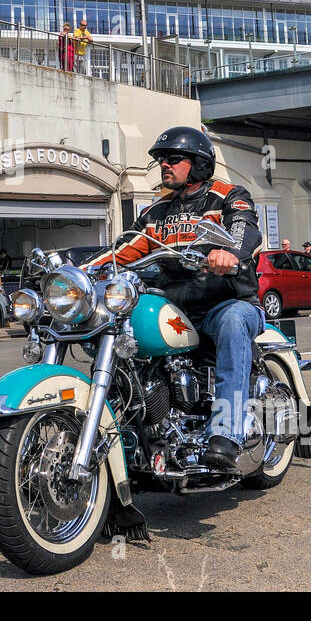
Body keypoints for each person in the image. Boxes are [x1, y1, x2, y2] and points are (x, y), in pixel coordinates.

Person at [85, 126, 264, 472]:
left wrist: (229, 252)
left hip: (225, 304)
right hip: (175, 309)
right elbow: (122, 250)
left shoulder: (227, 195)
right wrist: (74, 273)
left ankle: (226, 432)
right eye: (161, 159)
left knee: (232, 320)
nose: (164, 165)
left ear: (198, 163)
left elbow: (245, 227)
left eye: (172, 158)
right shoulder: (156, 213)